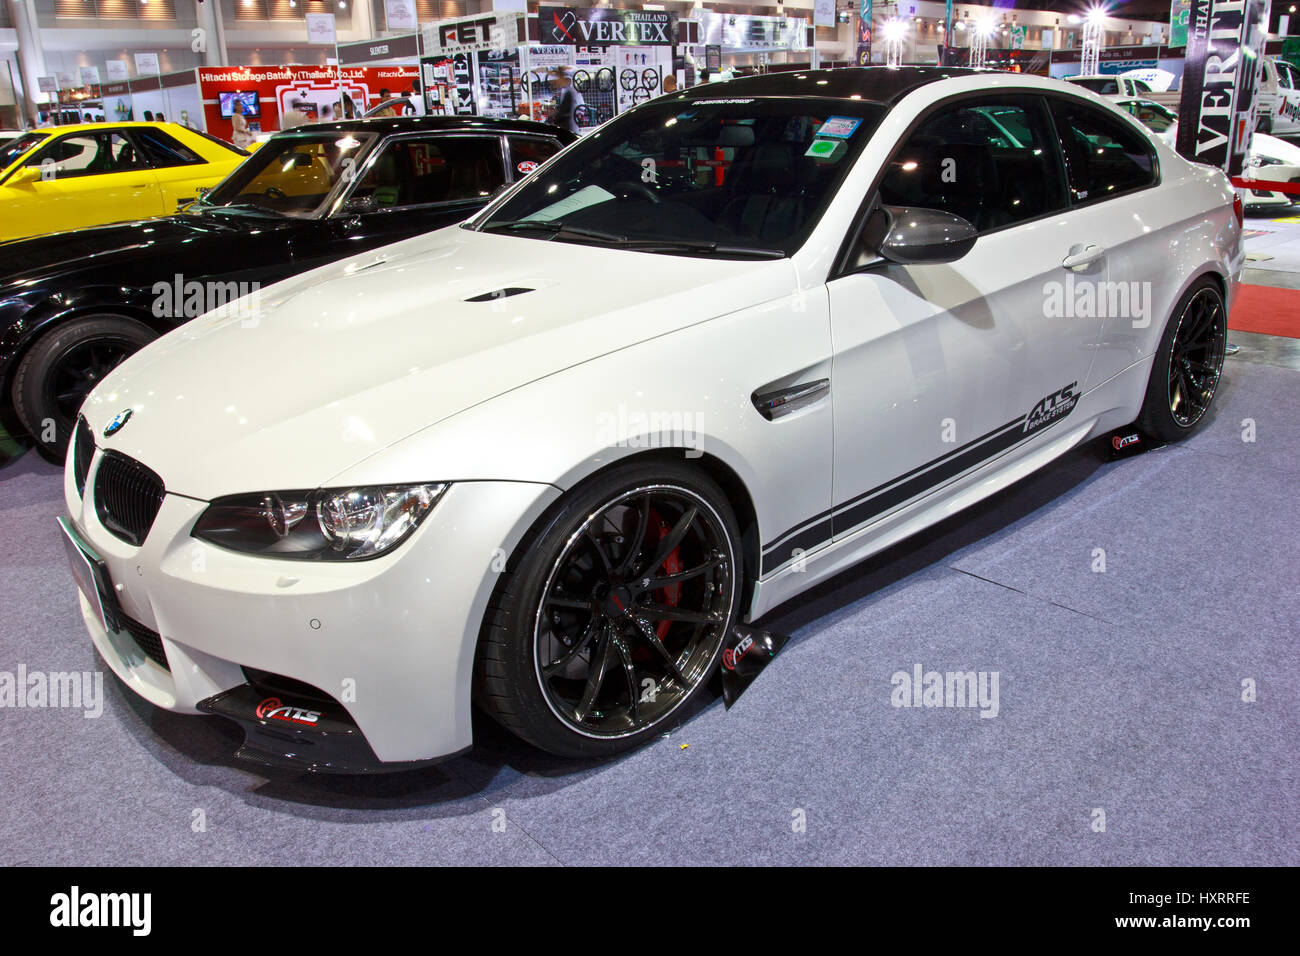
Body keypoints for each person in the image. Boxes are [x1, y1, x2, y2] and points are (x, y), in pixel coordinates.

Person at [548, 66, 582, 134]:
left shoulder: (572, 91)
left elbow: (565, 113)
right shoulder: (565, 91)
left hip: (571, 130)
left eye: (555, 83)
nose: (554, 86)